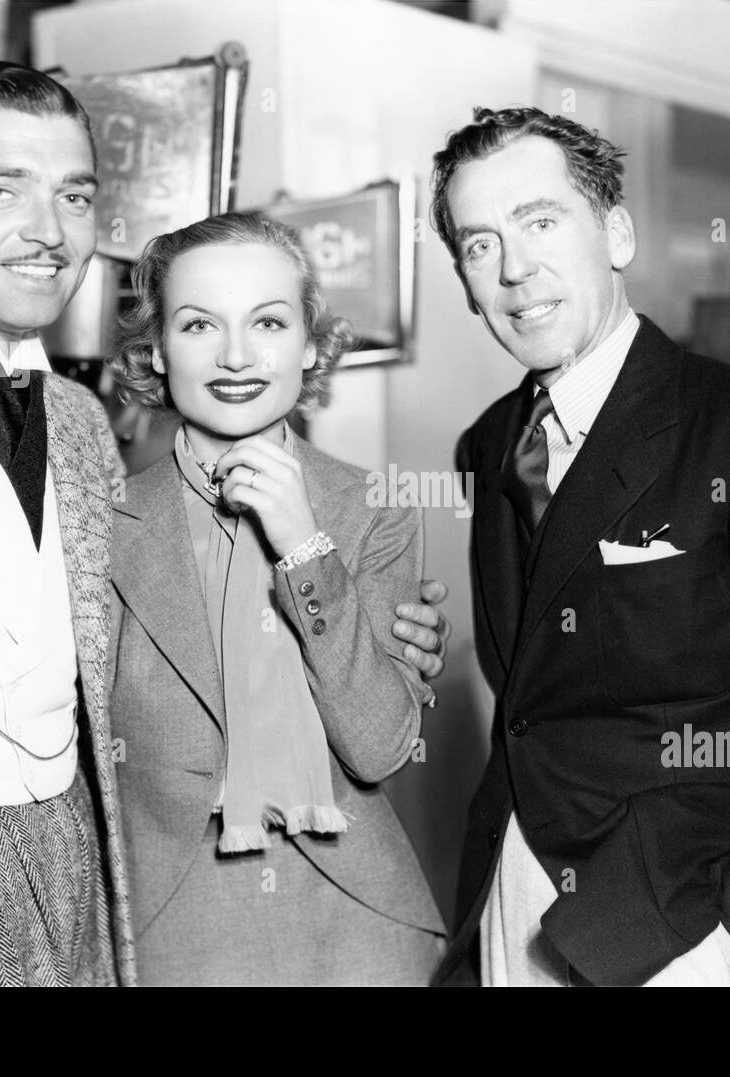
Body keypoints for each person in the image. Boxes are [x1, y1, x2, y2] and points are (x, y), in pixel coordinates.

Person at [0, 60, 446, 987]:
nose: (48, 232)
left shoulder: (84, 430)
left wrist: (359, 614)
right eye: (0, 188)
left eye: (75, 194)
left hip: (88, 900)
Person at [428, 107, 730, 987]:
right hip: (513, 902)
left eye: (541, 221)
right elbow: (533, 701)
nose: (514, 269)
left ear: (615, 232)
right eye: (478, 244)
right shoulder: (489, 445)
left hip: (686, 925)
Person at [105, 212, 447, 986]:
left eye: (268, 320)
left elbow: (379, 744)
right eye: (199, 324)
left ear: (311, 344)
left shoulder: (374, 507)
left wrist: (303, 545)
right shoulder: (98, 523)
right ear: (157, 348)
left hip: (359, 923)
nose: (235, 355)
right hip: (172, 926)